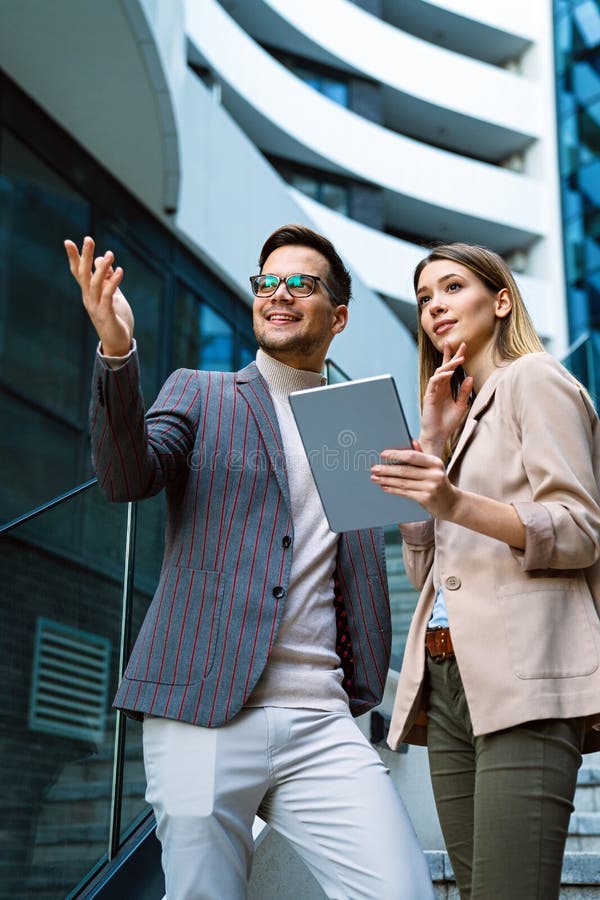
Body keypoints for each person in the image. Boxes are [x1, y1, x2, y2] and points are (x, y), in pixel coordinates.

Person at [64, 225, 434, 900]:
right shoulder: (201, 393)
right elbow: (125, 476)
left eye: (302, 282)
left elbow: (392, 554)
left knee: (402, 890)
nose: (279, 293)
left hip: (323, 718)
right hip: (204, 708)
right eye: (268, 281)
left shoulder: (357, 426)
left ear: (339, 315)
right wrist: (118, 354)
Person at [370, 242, 600, 900]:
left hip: (524, 670)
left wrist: (451, 499)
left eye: (451, 287)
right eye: (423, 298)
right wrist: (434, 447)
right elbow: (424, 575)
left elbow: (581, 527)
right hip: (446, 675)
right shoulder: (460, 415)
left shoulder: (536, 380)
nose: (434, 306)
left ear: (500, 301)